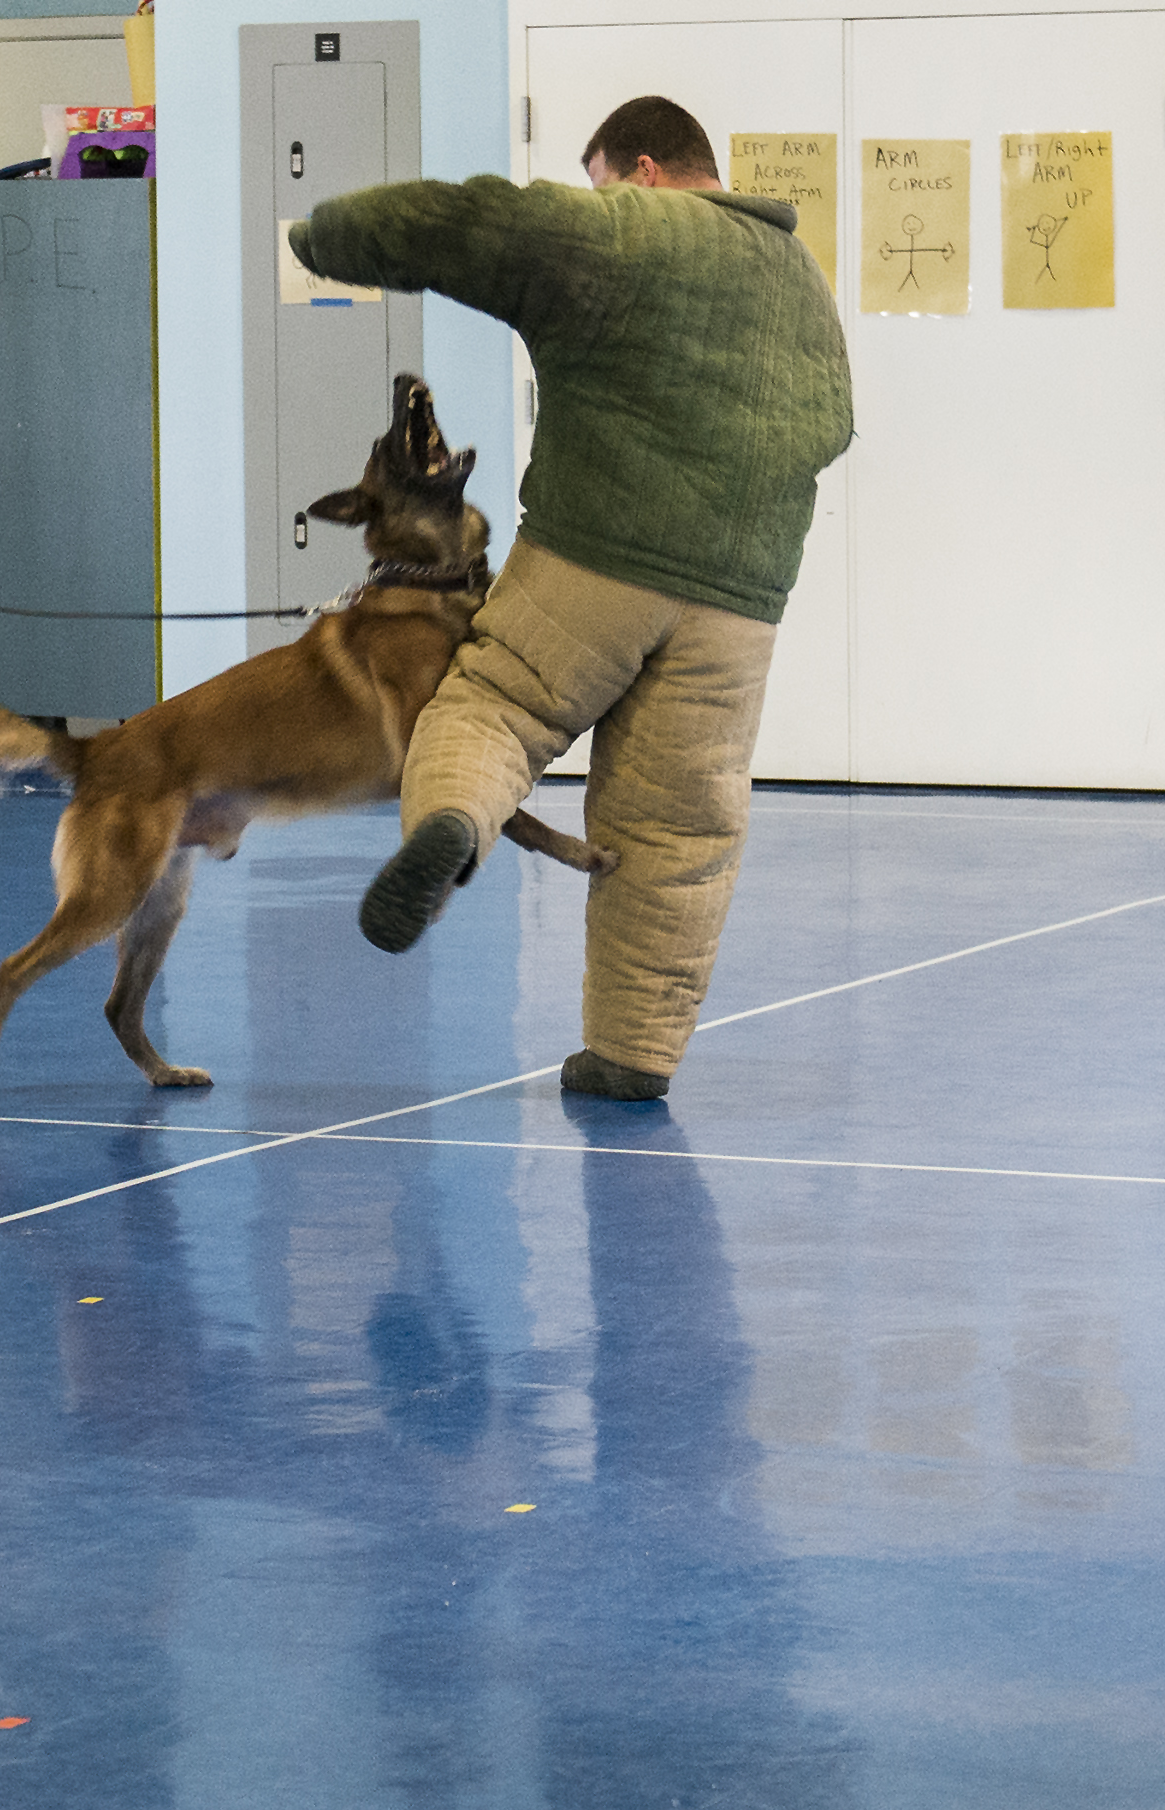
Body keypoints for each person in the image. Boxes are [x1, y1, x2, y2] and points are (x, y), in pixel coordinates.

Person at [290, 95, 853, 1102]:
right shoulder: (802, 278)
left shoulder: (635, 231)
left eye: (601, 183)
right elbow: (834, 423)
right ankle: (632, 1053)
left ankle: (454, 823)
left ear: (643, 172)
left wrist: (326, 237)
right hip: (740, 602)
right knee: (681, 829)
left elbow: (473, 224)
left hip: (595, 559)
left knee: (491, 711)